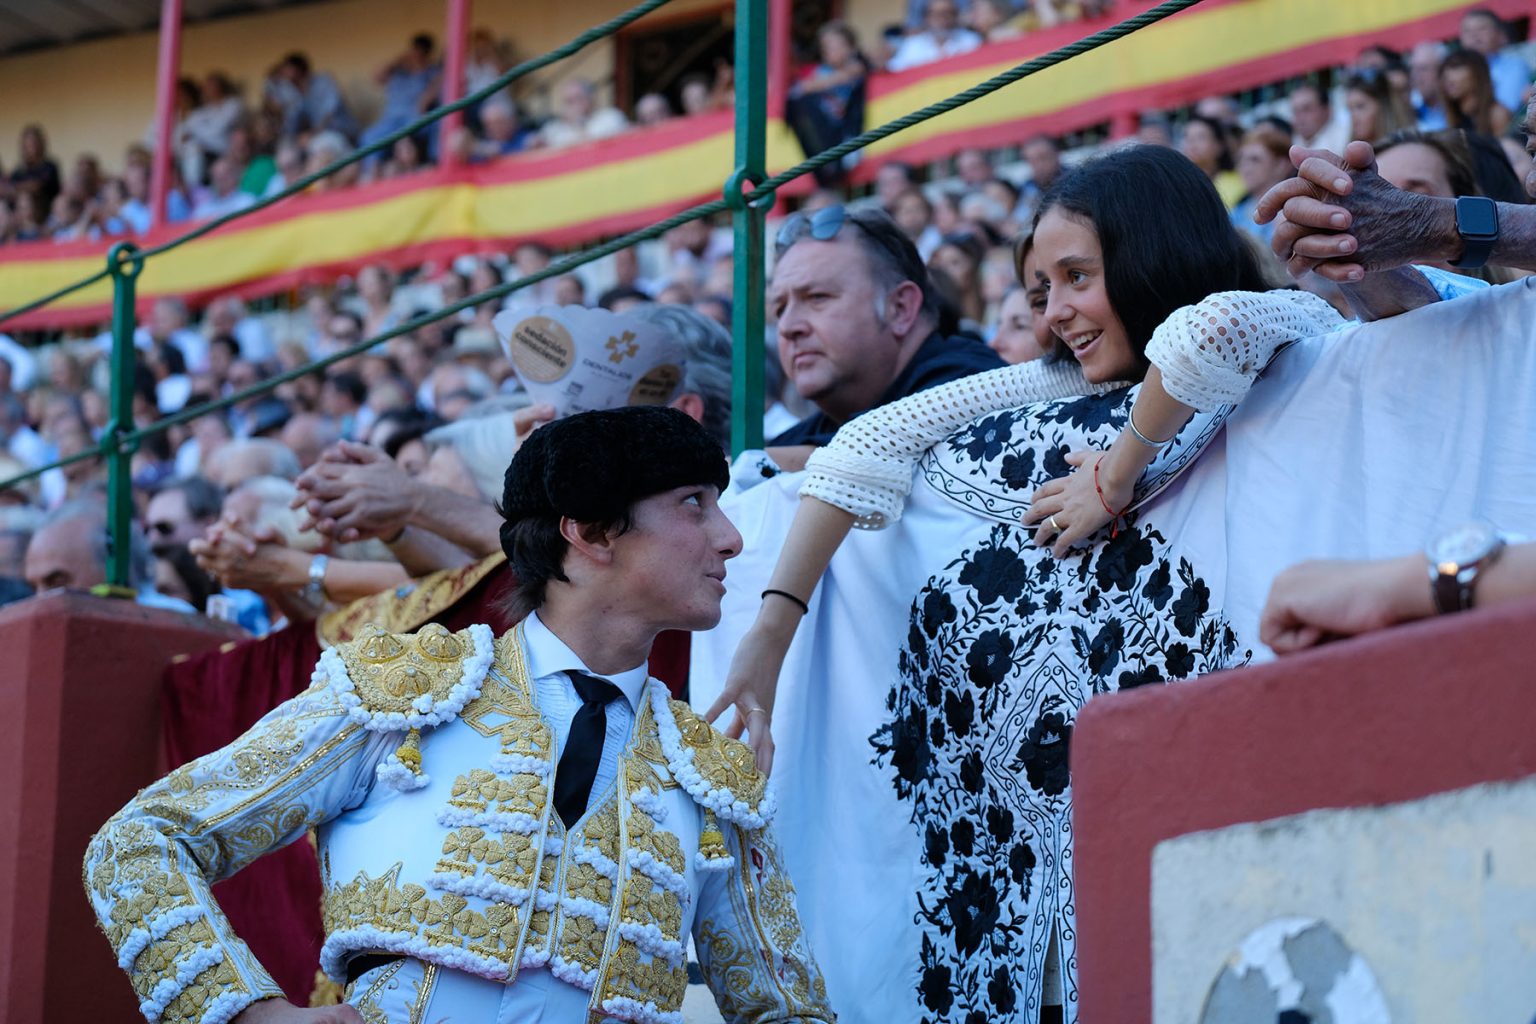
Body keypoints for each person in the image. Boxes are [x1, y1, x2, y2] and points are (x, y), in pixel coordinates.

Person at [695, 145, 1351, 1024]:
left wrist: (1114, 476)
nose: (1058, 314)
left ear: (1154, 249)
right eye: (1041, 290)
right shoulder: (1054, 375)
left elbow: (1208, 332)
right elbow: (864, 448)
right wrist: (769, 641)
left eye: (1078, 276)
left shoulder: (1281, 315)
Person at [84, 406, 833, 1024]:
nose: (730, 537)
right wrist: (246, 1014)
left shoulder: (711, 775)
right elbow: (141, 842)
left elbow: (787, 1012)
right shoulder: (402, 693)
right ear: (591, 531)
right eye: (693, 505)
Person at [764, 205, 1004, 460]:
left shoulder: (979, 393)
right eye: (780, 309)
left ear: (899, 308)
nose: (788, 327)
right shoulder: (789, 445)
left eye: (817, 297)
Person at [785, 21, 869, 186]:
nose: (829, 51)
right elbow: (802, 89)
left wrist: (819, 84)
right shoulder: (821, 71)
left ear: (851, 47)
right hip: (826, 129)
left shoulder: (858, 65)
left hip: (848, 127)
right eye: (826, 46)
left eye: (835, 45)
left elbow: (853, 72)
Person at [1458, 8, 1532, 116]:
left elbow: (1507, 110)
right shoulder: (1455, 72)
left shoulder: (1514, 66)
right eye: (1467, 31)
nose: (1474, 35)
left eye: (1482, 28)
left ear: (1501, 35)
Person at [887, 0, 983, 73]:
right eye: (936, 14)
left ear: (956, 16)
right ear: (926, 18)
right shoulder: (913, 44)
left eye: (947, 13)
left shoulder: (971, 40)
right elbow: (895, 71)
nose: (942, 19)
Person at [1439, 49, 1512, 138]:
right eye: (1443, 71)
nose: (1447, 76)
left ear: (1477, 72)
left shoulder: (1497, 115)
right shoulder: (1452, 117)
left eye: (1456, 67)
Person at [1288, 82, 1349, 156]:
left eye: (1307, 109)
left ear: (1327, 110)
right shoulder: (1293, 140)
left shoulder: (1346, 140)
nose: (1299, 118)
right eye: (1295, 111)